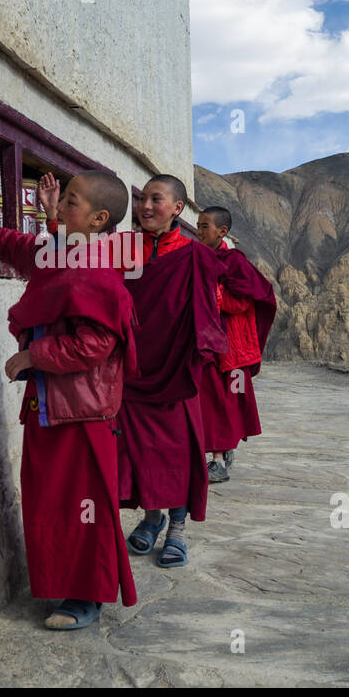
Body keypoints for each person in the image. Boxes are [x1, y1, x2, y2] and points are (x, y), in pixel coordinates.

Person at [0, 170, 138, 630]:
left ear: (98, 219)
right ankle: (61, 584)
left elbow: (96, 345)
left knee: (84, 504)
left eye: (70, 203)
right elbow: (18, 247)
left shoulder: (100, 268)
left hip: (84, 409)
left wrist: (33, 355)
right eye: (61, 199)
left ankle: (87, 597)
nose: (59, 208)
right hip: (50, 403)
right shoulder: (66, 250)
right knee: (52, 501)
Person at [118, 175, 226, 569]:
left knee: (178, 450)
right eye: (142, 199)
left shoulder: (195, 255)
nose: (146, 206)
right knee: (141, 449)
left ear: (177, 208)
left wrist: (202, 354)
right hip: (134, 367)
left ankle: (177, 528)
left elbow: (206, 311)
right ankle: (151, 517)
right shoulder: (124, 250)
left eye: (156, 199)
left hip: (177, 369)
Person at [194, 206, 276, 482]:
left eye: (205, 226)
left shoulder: (234, 262)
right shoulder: (198, 257)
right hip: (204, 341)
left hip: (228, 346)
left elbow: (247, 299)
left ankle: (217, 459)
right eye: (198, 225)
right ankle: (222, 449)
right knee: (210, 400)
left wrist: (217, 297)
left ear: (222, 232)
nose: (199, 230)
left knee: (224, 401)